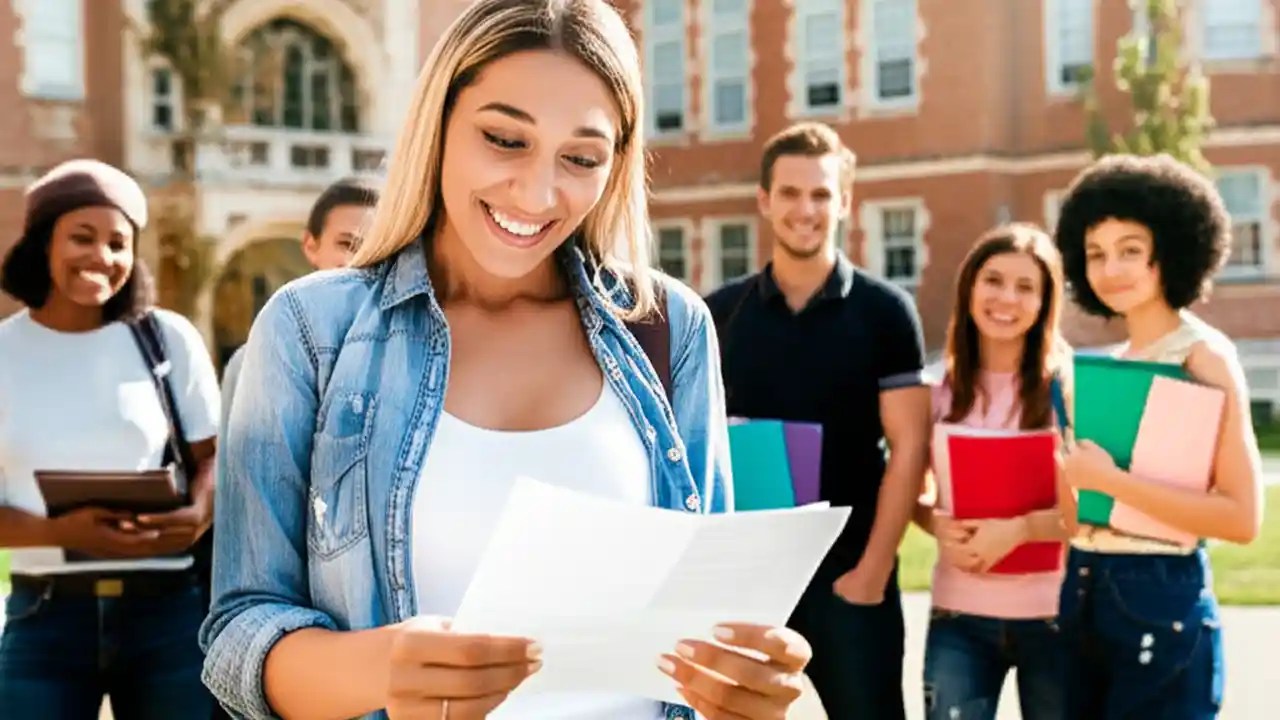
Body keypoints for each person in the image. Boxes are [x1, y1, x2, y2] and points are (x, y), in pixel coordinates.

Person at [199, 1, 814, 719]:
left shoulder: (669, 326)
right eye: (503, 138)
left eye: (581, 158)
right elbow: (237, 635)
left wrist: (754, 683)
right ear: (439, 127)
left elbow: (710, 614)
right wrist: (378, 668)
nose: (538, 192)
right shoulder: (312, 330)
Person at [704, 121, 931, 719]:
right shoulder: (718, 314)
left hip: (848, 576)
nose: (806, 209)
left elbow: (910, 448)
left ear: (845, 202)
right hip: (747, 578)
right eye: (791, 193)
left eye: (822, 194)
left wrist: (874, 571)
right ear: (764, 200)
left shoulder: (886, 313)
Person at [0, 159, 221, 718]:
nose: (103, 257)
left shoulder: (167, 339)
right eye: (82, 237)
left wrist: (198, 513)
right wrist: (60, 531)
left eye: (119, 243)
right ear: (42, 243)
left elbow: (214, 460)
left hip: (169, 615)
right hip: (44, 615)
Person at [1054, 153, 1264, 718]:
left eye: (1130, 249)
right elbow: (1084, 515)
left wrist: (1113, 481)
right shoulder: (1108, 367)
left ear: (1168, 251)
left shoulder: (1203, 355)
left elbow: (1241, 517)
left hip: (1159, 592)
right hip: (1082, 586)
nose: (1110, 267)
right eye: (1096, 253)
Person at [913, 224, 1071, 720]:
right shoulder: (935, 388)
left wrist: (1021, 530)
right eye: (994, 280)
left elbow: (1091, 514)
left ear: (1046, 302)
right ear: (970, 288)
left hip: (1055, 617)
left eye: (1026, 287)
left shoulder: (1069, 390)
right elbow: (914, 496)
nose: (1007, 298)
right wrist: (934, 521)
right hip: (959, 618)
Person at [219, 176, 379, 421]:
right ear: (310, 245)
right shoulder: (253, 363)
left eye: (377, 246)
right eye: (347, 244)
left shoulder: (411, 360)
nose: (360, 260)